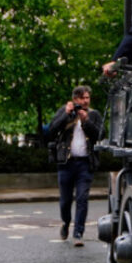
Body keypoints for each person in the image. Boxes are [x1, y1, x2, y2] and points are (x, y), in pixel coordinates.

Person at [49, 86, 103, 246]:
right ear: (75, 99)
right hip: (66, 163)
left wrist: (86, 121)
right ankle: (66, 222)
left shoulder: (94, 115)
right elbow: (52, 130)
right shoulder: (65, 112)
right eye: (82, 98)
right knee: (65, 200)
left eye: (87, 98)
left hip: (85, 164)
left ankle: (78, 233)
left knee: (82, 199)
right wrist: (66, 114)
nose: (85, 101)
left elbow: (100, 135)